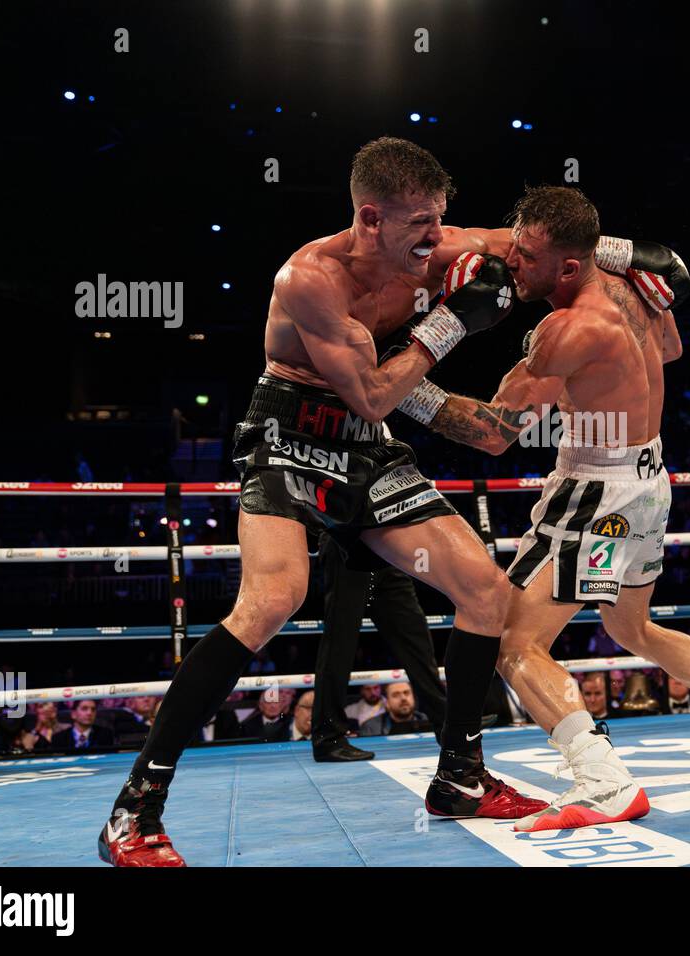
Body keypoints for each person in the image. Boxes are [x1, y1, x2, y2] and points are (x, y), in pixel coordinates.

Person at [99, 137, 547, 867]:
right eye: (418, 228)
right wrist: (449, 324)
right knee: (274, 596)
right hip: (288, 430)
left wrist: (622, 252)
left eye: (441, 222)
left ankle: (460, 776)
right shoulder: (310, 278)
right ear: (371, 219)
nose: (436, 242)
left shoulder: (445, 243)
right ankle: (135, 808)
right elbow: (370, 388)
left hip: (365, 443)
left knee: (485, 591)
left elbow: (534, 242)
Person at [397, 186, 690, 831]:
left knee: (512, 641)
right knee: (631, 628)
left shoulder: (565, 327)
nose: (512, 266)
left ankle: (604, 782)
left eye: (526, 257)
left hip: (596, 496)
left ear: (569, 266)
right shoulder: (625, 283)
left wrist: (402, 384)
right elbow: (668, 350)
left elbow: (496, 432)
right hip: (648, 484)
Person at [311, 533, 448, 761]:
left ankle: (446, 723)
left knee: (415, 636)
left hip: (386, 546)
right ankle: (328, 737)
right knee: (340, 643)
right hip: (348, 542)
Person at [358, 681, 432, 736]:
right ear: (387, 703)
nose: (403, 698)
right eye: (396, 695)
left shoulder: (430, 721)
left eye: (406, 693)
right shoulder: (370, 728)